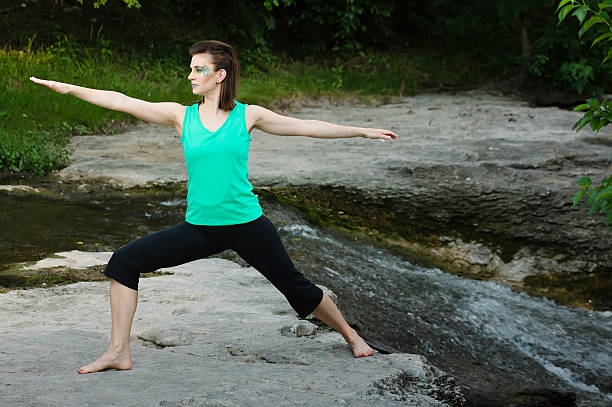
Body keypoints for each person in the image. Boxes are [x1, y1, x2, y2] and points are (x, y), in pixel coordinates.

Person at [30, 39, 398, 374]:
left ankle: (351, 335)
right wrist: (66, 87)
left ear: (220, 75)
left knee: (297, 289)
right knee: (123, 262)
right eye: (190, 68)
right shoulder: (181, 116)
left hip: (247, 224)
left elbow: (305, 125)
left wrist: (361, 131)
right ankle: (117, 351)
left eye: (198, 69)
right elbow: (122, 100)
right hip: (200, 228)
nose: (190, 75)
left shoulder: (248, 115)